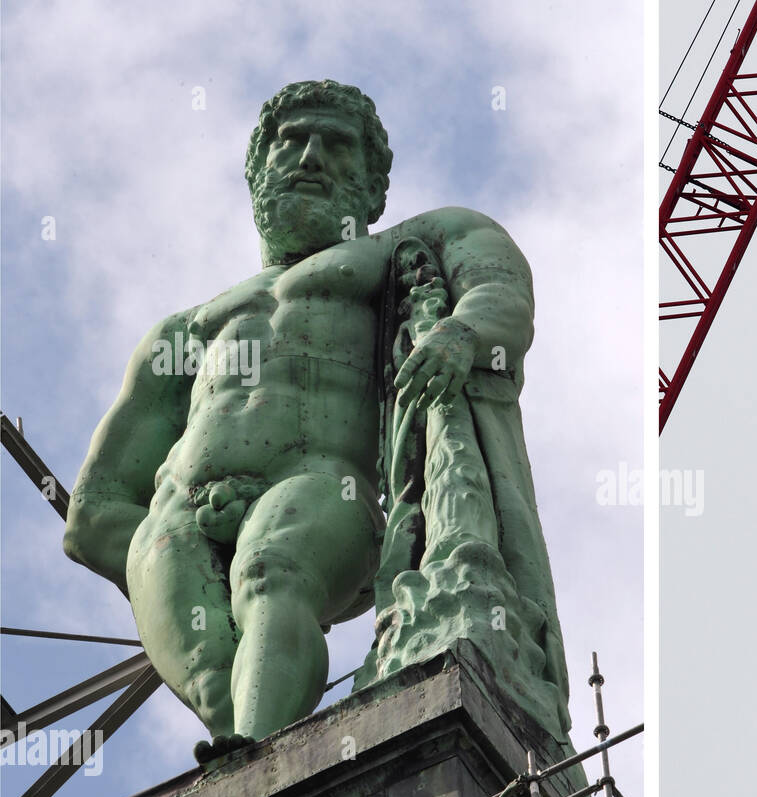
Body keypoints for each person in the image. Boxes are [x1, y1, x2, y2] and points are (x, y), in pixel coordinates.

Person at [64, 80, 570, 760]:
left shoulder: (411, 241)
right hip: (180, 511)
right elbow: (93, 511)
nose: (308, 157)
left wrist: (461, 334)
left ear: (371, 189)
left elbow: (499, 289)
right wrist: (183, 523)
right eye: (288, 142)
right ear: (257, 173)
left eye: (335, 146)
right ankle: (242, 767)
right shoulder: (184, 330)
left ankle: (254, 746)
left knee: (273, 568)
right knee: (213, 658)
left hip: (323, 485)